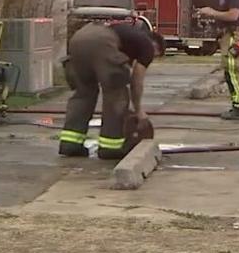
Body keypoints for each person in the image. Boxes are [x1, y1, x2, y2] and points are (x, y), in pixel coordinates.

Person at [59, 22, 167, 159]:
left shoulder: (128, 37)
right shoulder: (147, 46)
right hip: (103, 42)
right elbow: (136, 81)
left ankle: (70, 144)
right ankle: (110, 148)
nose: (151, 59)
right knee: (116, 93)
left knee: (83, 93)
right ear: (155, 46)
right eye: (156, 56)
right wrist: (139, 110)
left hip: (79, 38)